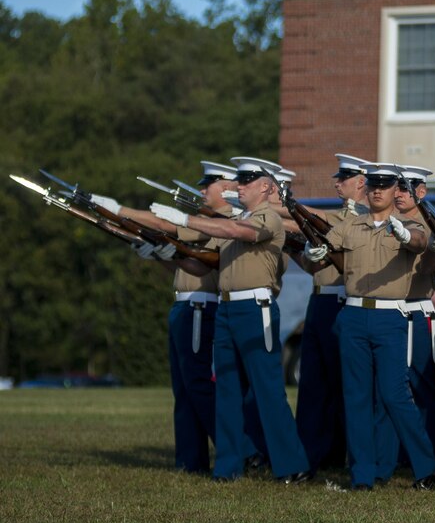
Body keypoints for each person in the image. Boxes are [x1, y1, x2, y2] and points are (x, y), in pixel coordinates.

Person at [152, 156, 311, 483]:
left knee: (267, 391)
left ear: (266, 187)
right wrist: (163, 250)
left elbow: (233, 229)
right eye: (239, 180)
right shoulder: (237, 219)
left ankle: (292, 465)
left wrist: (186, 219)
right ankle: (227, 467)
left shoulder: (268, 219)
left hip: (256, 308)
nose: (239, 185)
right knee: (226, 391)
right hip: (226, 308)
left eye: (247, 180)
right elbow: (203, 265)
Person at [93, 160, 237, 473]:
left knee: (198, 385)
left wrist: (121, 212)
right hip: (184, 304)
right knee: (184, 389)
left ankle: (235, 451)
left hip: (202, 307)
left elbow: (173, 234)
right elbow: (187, 266)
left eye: (208, 183)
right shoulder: (207, 220)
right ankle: (190, 459)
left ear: (227, 186)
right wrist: (160, 256)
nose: (201, 188)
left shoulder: (226, 222)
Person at [303, 163, 435, 491]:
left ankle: (426, 468)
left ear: (397, 190)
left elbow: (420, 242)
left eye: (386, 185)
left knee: (395, 394)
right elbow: (318, 254)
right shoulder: (351, 226)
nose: (378, 190)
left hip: (390, 316)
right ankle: (362, 474)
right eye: (373, 185)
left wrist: (405, 235)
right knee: (357, 396)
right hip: (352, 315)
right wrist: (313, 251)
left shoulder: (409, 224)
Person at [289, 153, 370, 472]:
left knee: (343, 383)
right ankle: (313, 453)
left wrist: (283, 209)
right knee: (312, 382)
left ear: (361, 183)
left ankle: (348, 453)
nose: (337, 182)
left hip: (343, 301)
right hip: (320, 300)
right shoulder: (335, 218)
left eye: (344, 178)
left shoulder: (360, 220)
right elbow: (313, 267)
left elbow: (310, 216)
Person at [390, 165, 435, 478]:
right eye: (396, 187)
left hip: (416, 310)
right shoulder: (386, 220)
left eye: (406, 187)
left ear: (421, 192)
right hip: (390, 310)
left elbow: (427, 262)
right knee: (393, 389)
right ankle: (398, 457)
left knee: (424, 388)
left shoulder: (427, 222)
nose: (398, 193)